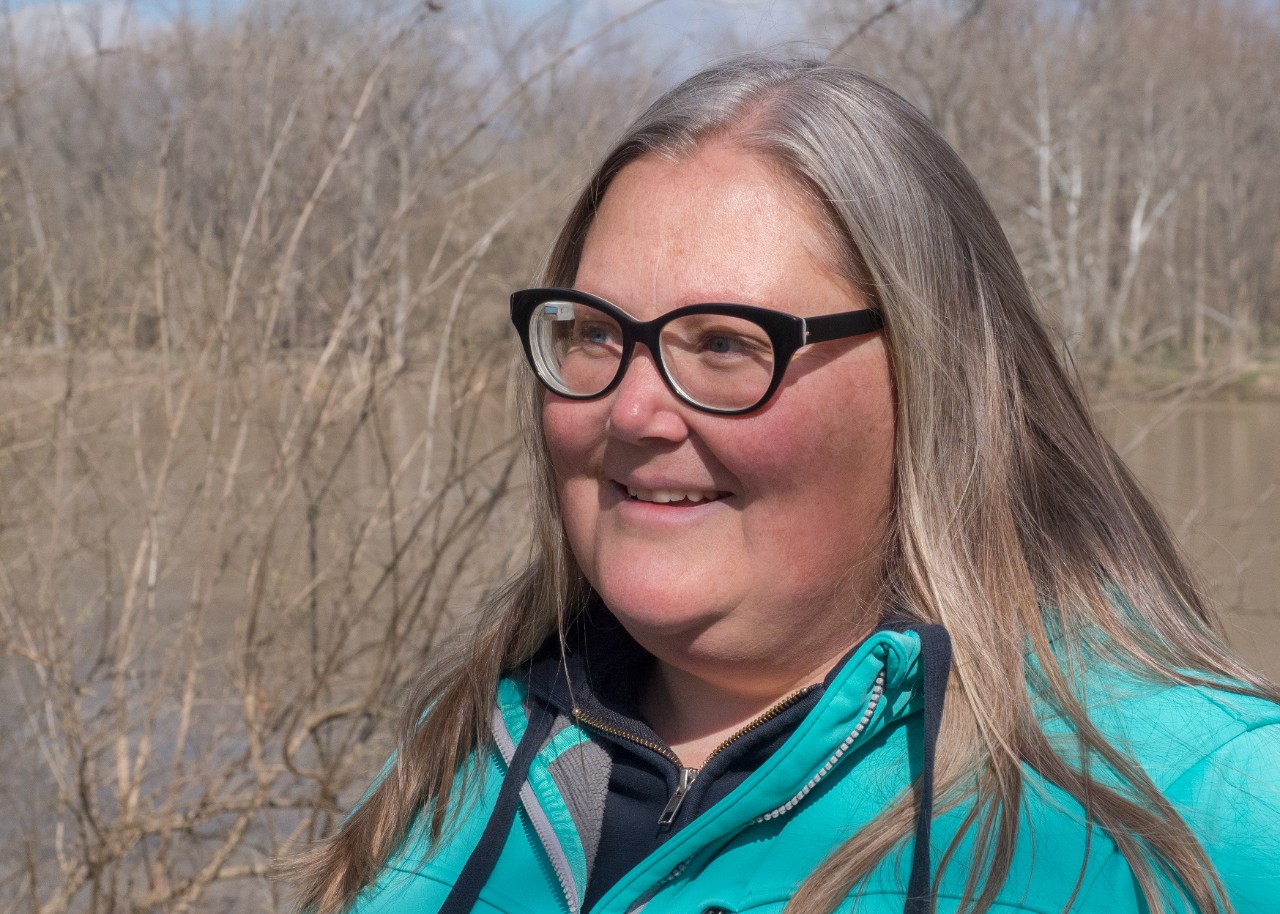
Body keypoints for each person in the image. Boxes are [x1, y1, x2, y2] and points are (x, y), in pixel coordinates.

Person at [290, 56, 1280, 914]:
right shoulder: (460, 757)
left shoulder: (1205, 807)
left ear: (934, 380)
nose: (631, 411)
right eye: (595, 333)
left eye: (724, 343)